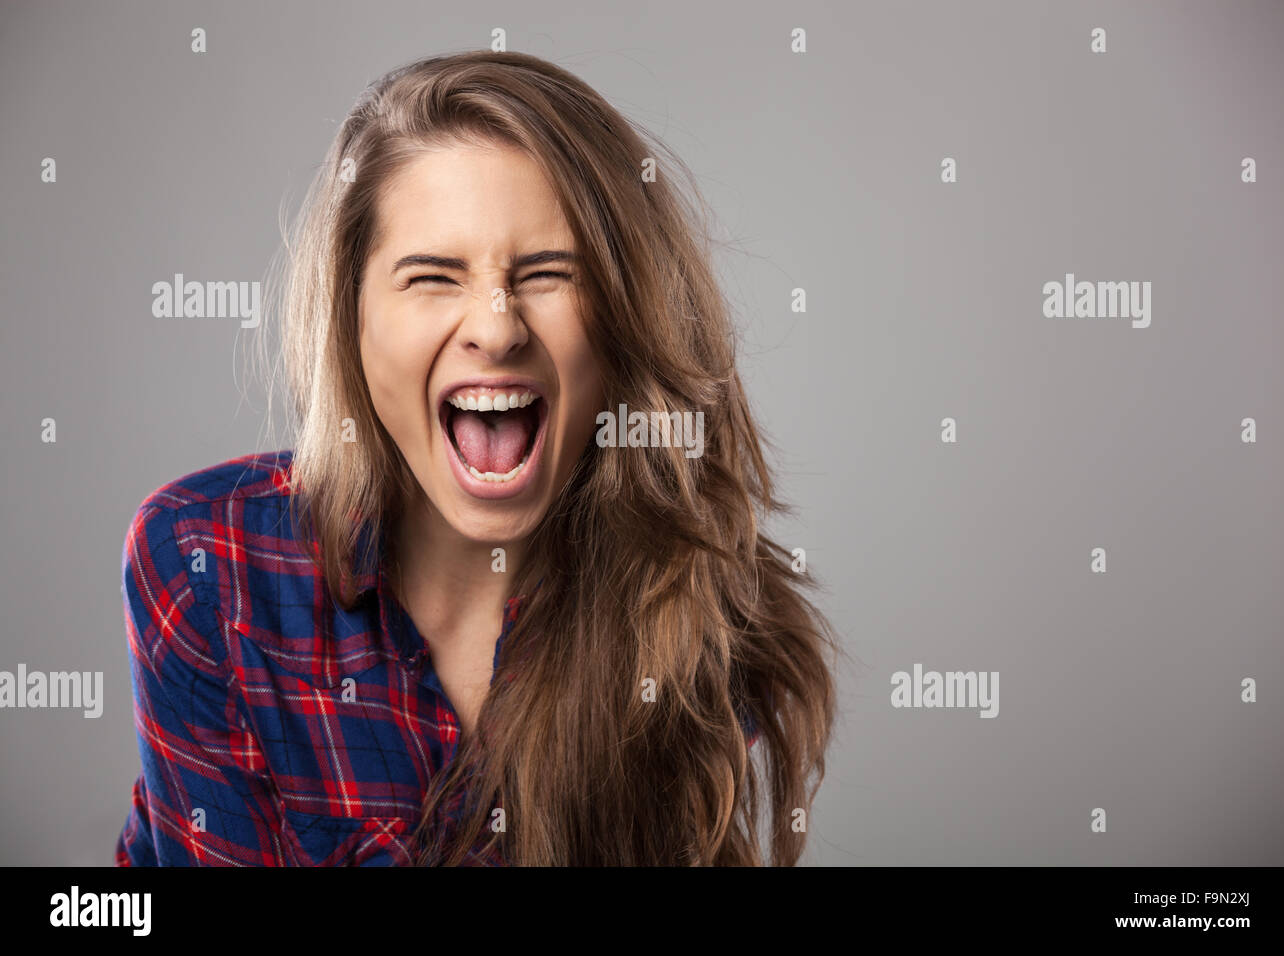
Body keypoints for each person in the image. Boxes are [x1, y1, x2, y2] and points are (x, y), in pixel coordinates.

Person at [116, 50, 837, 866]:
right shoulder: (209, 564)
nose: (496, 327)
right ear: (354, 324)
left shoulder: (703, 615)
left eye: (548, 274)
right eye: (432, 276)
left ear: (624, 328)